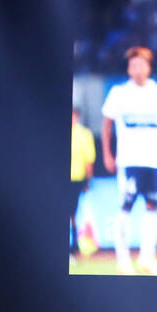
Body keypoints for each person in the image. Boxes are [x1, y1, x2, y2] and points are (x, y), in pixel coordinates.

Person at [101, 45, 157, 276]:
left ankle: (147, 259)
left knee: (153, 207)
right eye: (133, 65)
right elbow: (106, 125)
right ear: (128, 69)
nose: (138, 69)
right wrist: (107, 153)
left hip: (153, 160)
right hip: (129, 159)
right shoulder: (118, 93)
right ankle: (123, 261)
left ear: (149, 66)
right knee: (125, 207)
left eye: (141, 64)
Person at [70, 107, 97, 264]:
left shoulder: (84, 134)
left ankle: (73, 248)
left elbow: (89, 161)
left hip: (76, 179)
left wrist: (88, 181)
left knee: (72, 214)